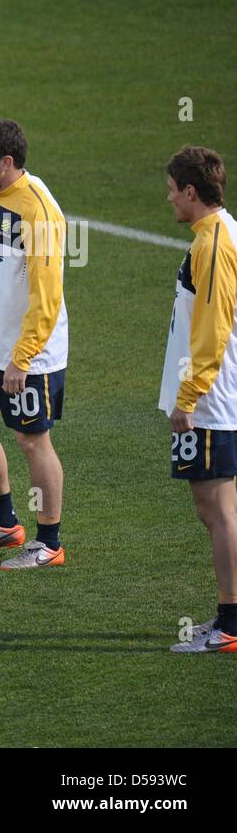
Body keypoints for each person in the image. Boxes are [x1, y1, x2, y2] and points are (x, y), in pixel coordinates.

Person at [0, 119, 69, 570]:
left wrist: (21, 358)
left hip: (29, 354)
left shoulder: (39, 211)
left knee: (31, 440)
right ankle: (4, 525)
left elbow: (48, 295)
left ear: (7, 161)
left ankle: (49, 542)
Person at [159, 146, 237, 653]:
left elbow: (211, 330)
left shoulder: (212, 244)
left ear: (191, 191)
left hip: (209, 403)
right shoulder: (221, 232)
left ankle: (229, 625)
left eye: (172, 189)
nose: (168, 199)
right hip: (217, 395)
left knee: (217, 509)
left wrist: (187, 397)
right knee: (219, 508)